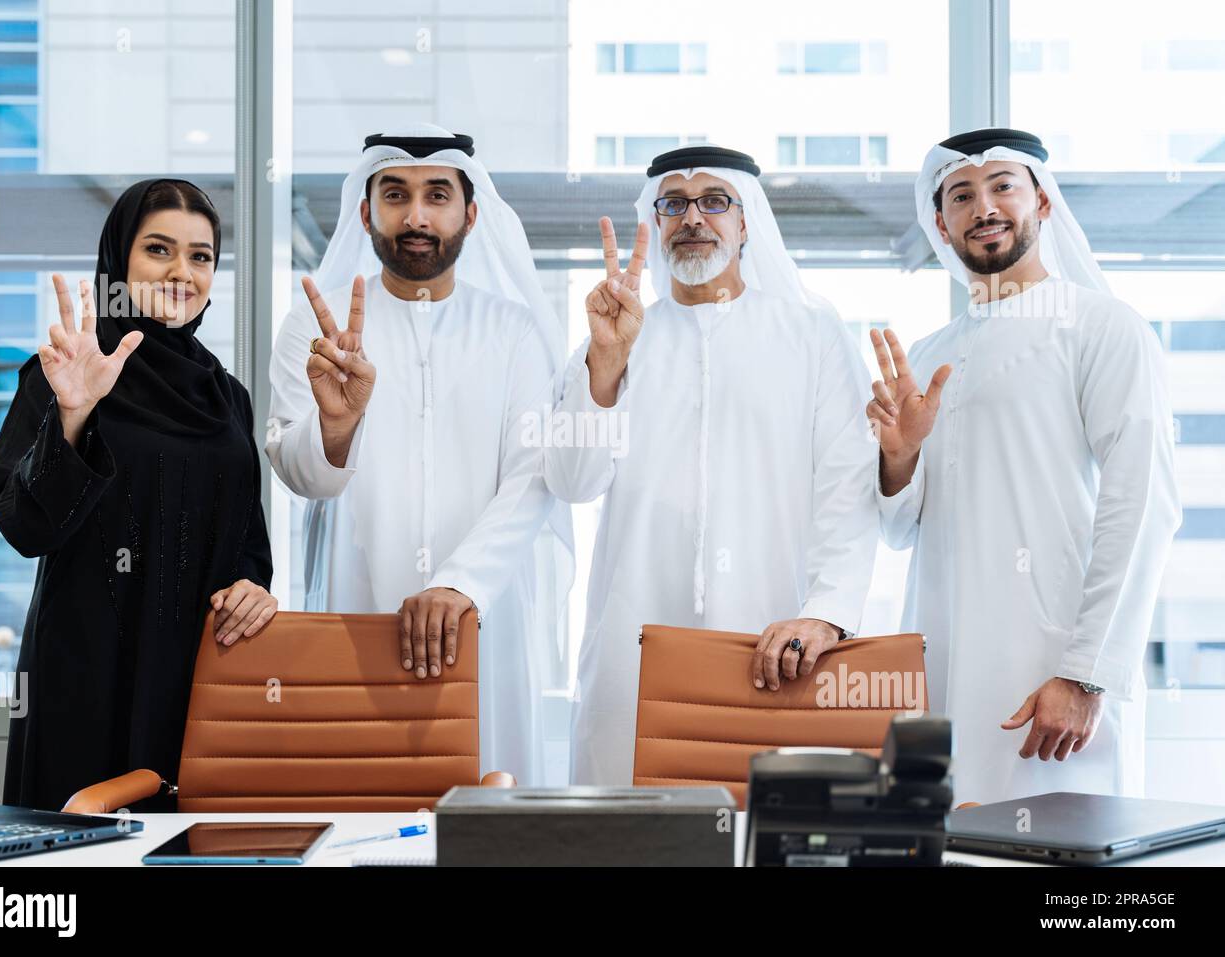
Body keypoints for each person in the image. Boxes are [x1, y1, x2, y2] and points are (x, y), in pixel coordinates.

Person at [544, 145, 878, 785]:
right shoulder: (613, 338)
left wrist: (829, 609)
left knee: (765, 840)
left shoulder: (810, 333)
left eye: (714, 201)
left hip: (775, 645)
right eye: (673, 204)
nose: (692, 217)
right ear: (657, 221)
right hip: (632, 650)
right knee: (632, 845)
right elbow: (571, 481)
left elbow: (848, 484)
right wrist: (606, 366)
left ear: (746, 221)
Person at [869, 128, 1181, 804]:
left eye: (1002, 186)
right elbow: (900, 527)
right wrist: (898, 457)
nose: (984, 207)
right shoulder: (927, 353)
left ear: (1041, 204)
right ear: (942, 227)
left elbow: (1143, 503)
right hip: (944, 667)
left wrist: (1087, 672)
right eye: (961, 195)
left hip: (1054, 676)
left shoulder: (1103, 327)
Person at [266, 125, 573, 785]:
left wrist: (460, 582)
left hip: (483, 618)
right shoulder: (314, 329)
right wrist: (337, 425)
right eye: (395, 194)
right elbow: (300, 476)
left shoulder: (514, 329)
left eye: (437, 194)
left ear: (470, 213)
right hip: (357, 610)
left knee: (489, 825)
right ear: (365, 211)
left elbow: (533, 475)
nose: (416, 216)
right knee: (356, 810)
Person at [0, 178, 275, 812]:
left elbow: (248, 544)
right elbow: (26, 528)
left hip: (201, 681)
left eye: (201, 256)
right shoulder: (63, 372)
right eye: (159, 249)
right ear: (120, 259)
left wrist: (254, 588)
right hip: (85, 674)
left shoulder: (227, 398)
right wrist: (72, 415)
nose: (182, 272)